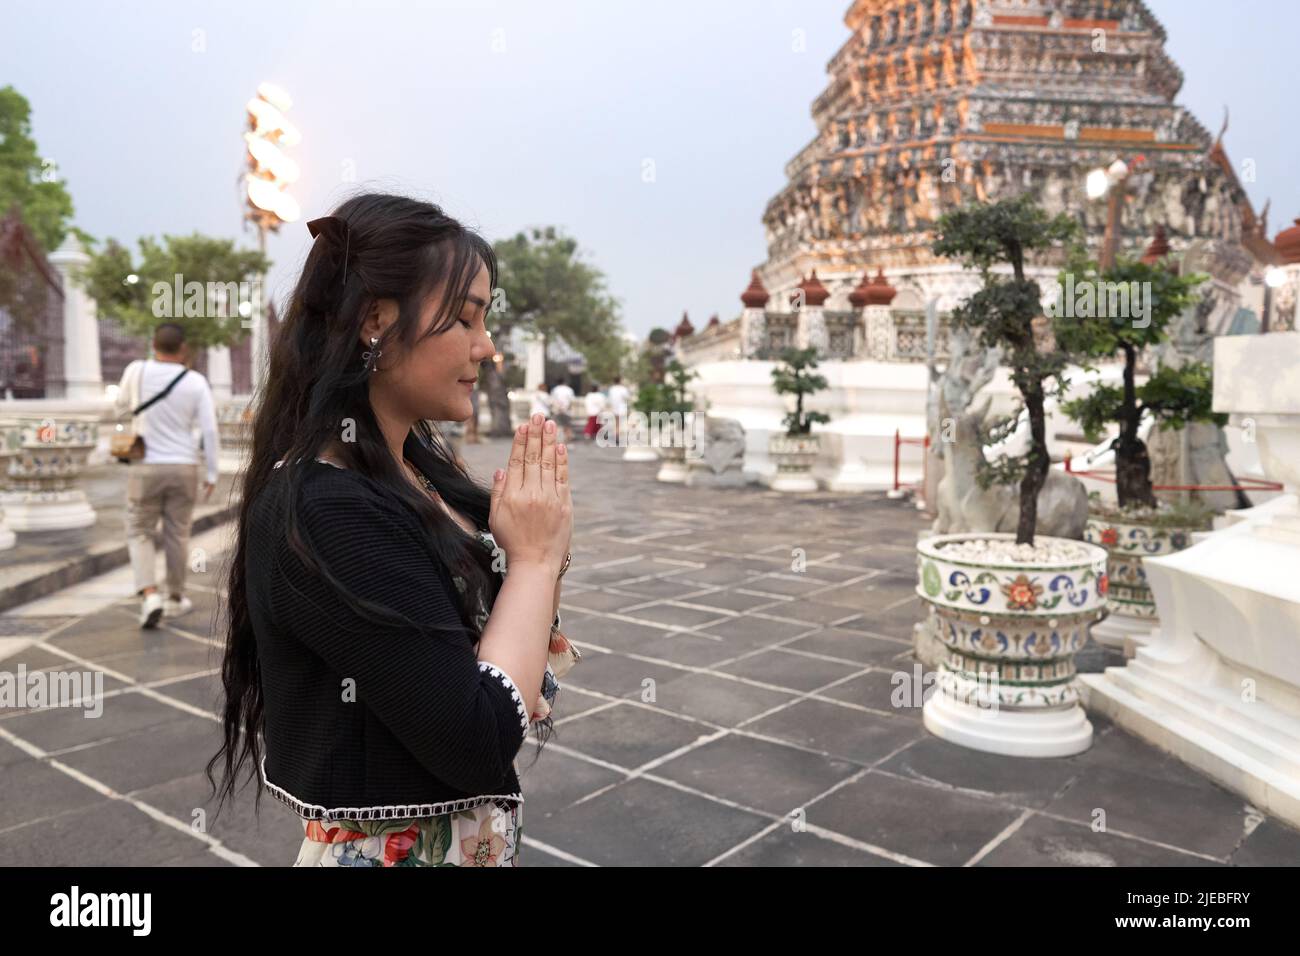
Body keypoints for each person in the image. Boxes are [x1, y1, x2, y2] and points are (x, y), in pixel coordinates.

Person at [208, 193, 578, 867]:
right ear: (376, 319)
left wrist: (536, 551)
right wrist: (532, 561)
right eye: (465, 318)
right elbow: (475, 741)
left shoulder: (410, 468)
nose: (486, 345)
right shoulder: (330, 512)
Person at [113, 322, 219, 628]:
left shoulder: (136, 371)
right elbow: (209, 431)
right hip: (184, 467)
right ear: (183, 348)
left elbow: (120, 410)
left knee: (139, 530)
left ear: (152, 344)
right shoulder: (196, 381)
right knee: (178, 533)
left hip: (145, 465)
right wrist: (211, 472)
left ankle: (149, 596)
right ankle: (175, 597)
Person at [606, 375, 631, 443]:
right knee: (625, 423)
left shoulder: (611, 389)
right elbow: (627, 397)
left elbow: (609, 399)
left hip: (615, 408)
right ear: (620, 381)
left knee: (617, 424)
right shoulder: (623, 389)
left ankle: (617, 437)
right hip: (622, 408)